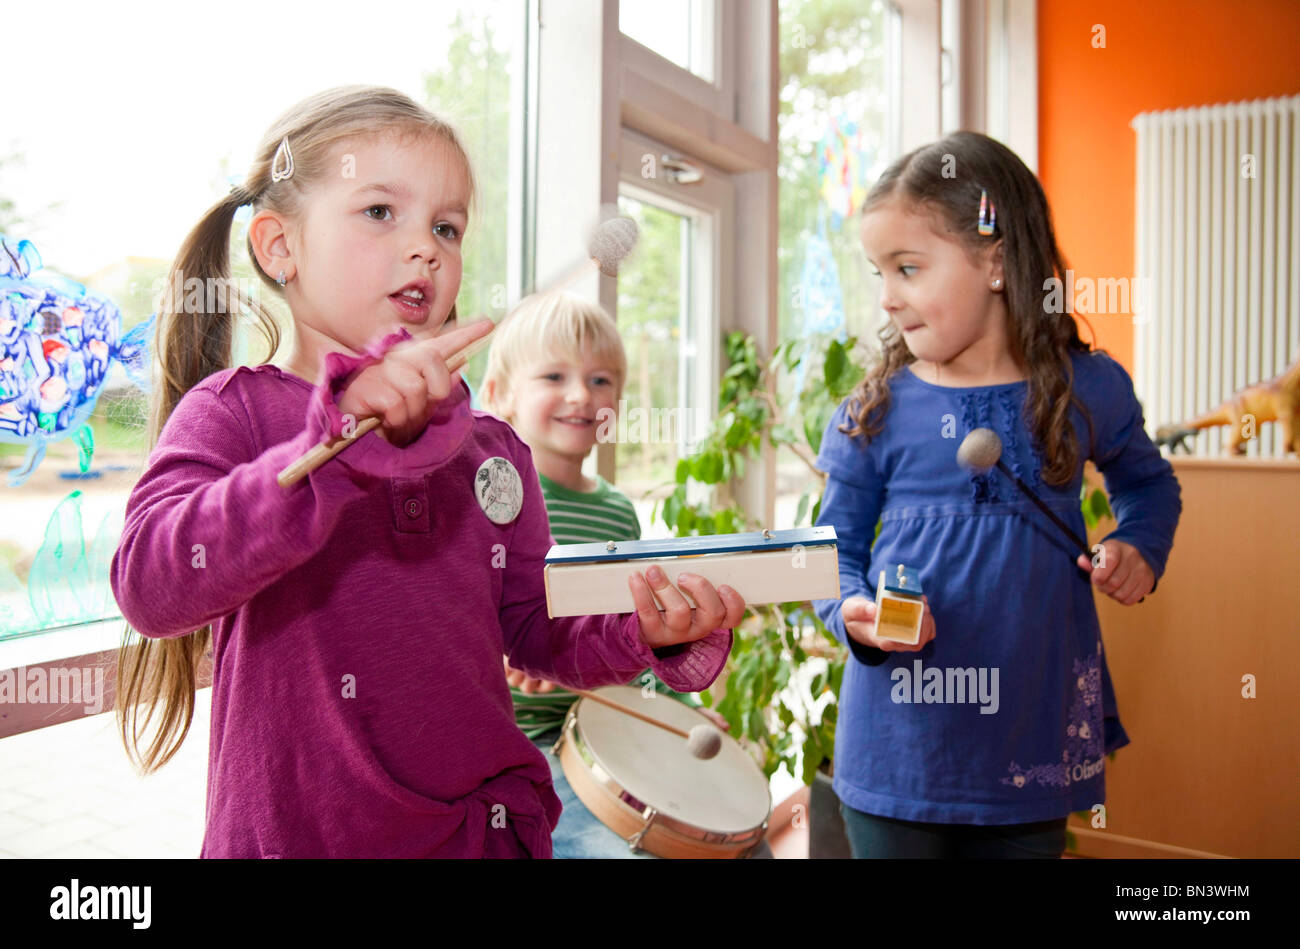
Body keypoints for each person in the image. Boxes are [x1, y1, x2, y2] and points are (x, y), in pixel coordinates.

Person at [110, 86, 744, 859]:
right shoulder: (234, 413)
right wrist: (336, 439)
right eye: (381, 212)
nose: (427, 247)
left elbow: (533, 630)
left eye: (446, 226)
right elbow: (150, 584)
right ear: (280, 247)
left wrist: (646, 633)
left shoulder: (494, 452)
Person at [811, 130, 1181, 859]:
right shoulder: (872, 410)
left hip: (1030, 753)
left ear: (996, 261)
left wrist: (1138, 544)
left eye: (908, 268)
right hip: (898, 756)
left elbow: (1148, 482)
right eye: (879, 272)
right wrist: (851, 609)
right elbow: (829, 551)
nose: (886, 298)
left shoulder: (1087, 388)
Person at [479, 290, 749, 858]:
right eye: (554, 375)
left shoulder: (617, 511)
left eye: (601, 381)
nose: (581, 395)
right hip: (524, 749)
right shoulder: (492, 499)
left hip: (614, 733)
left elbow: (635, 634)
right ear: (499, 394)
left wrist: (684, 711)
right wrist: (499, 656)